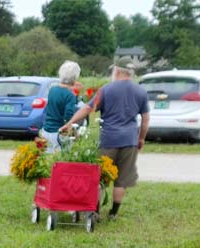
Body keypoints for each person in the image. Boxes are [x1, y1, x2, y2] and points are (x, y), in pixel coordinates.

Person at [61, 62, 150, 218]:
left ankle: (94, 212)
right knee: (122, 179)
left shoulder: (106, 90)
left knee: (100, 177)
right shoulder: (140, 91)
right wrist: (141, 138)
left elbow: (88, 109)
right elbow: (145, 119)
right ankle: (113, 213)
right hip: (129, 140)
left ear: (117, 71)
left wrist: (69, 124)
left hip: (108, 140)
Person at [41, 61, 83, 153]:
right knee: (62, 162)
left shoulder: (53, 89)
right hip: (59, 134)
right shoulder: (70, 95)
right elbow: (68, 117)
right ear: (74, 77)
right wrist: (75, 134)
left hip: (46, 131)